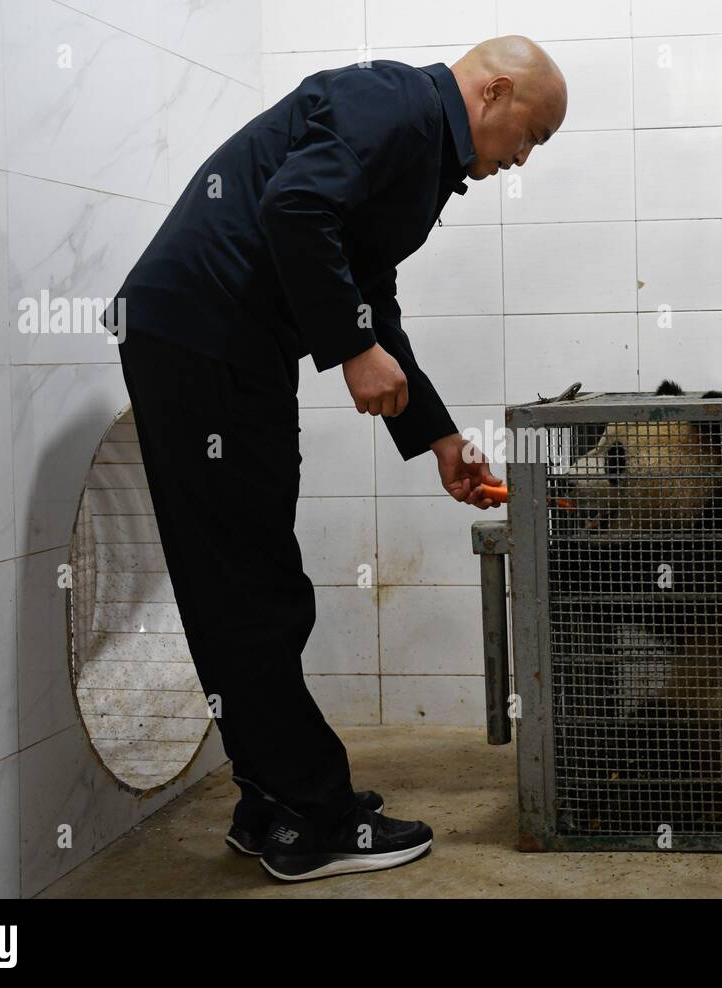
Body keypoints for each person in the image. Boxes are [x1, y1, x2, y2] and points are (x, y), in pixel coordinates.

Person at [102, 36, 568, 882]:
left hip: (212, 337)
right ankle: (308, 818)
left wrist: (438, 437)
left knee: (246, 573)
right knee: (252, 581)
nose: (520, 159)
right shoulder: (393, 102)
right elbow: (294, 210)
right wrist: (351, 347)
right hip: (204, 335)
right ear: (494, 92)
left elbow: (366, 288)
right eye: (529, 135)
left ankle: (274, 804)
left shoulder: (416, 146)